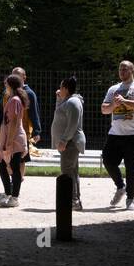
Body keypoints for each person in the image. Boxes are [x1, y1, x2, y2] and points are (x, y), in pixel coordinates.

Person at [100, 60, 134, 209]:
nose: (121, 72)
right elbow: (104, 109)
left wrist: (124, 101)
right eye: (120, 69)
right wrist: (114, 105)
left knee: (132, 168)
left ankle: (130, 199)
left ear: (132, 71)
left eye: (125, 69)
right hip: (115, 133)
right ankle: (120, 186)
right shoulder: (113, 89)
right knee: (108, 161)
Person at [51, 76, 86, 210]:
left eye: (61, 87)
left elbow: (73, 124)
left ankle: (74, 200)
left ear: (65, 88)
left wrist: (64, 140)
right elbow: (59, 113)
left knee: (67, 172)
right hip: (69, 142)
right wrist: (59, 99)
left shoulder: (73, 102)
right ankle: (75, 200)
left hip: (71, 142)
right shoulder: (67, 101)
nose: (59, 89)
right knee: (72, 171)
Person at [0, 74, 29, 207]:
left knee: (13, 167)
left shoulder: (14, 100)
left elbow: (14, 123)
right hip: (10, 137)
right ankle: (9, 194)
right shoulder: (13, 99)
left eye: (6, 83)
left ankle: (14, 197)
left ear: (11, 85)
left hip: (14, 139)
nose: (4, 85)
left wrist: (9, 142)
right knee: (2, 164)